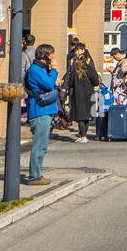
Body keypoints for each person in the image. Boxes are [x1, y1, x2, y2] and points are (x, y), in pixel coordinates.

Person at [23, 44, 59, 185]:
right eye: (51, 56)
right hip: (39, 111)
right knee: (39, 145)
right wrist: (54, 70)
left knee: (42, 145)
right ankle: (34, 176)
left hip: (45, 111)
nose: (53, 58)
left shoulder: (42, 69)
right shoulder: (35, 70)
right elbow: (49, 84)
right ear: (44, 56)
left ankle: (36, 174)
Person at [63, 44, 99, 143]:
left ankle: (82, 136)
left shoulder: (75, 71)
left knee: (80, 117)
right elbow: (96, 81)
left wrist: (67, 87)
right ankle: (84, 135)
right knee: (87, 116)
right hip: (89, 94)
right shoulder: (90, 70)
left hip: (78, 95)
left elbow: (70, 83)